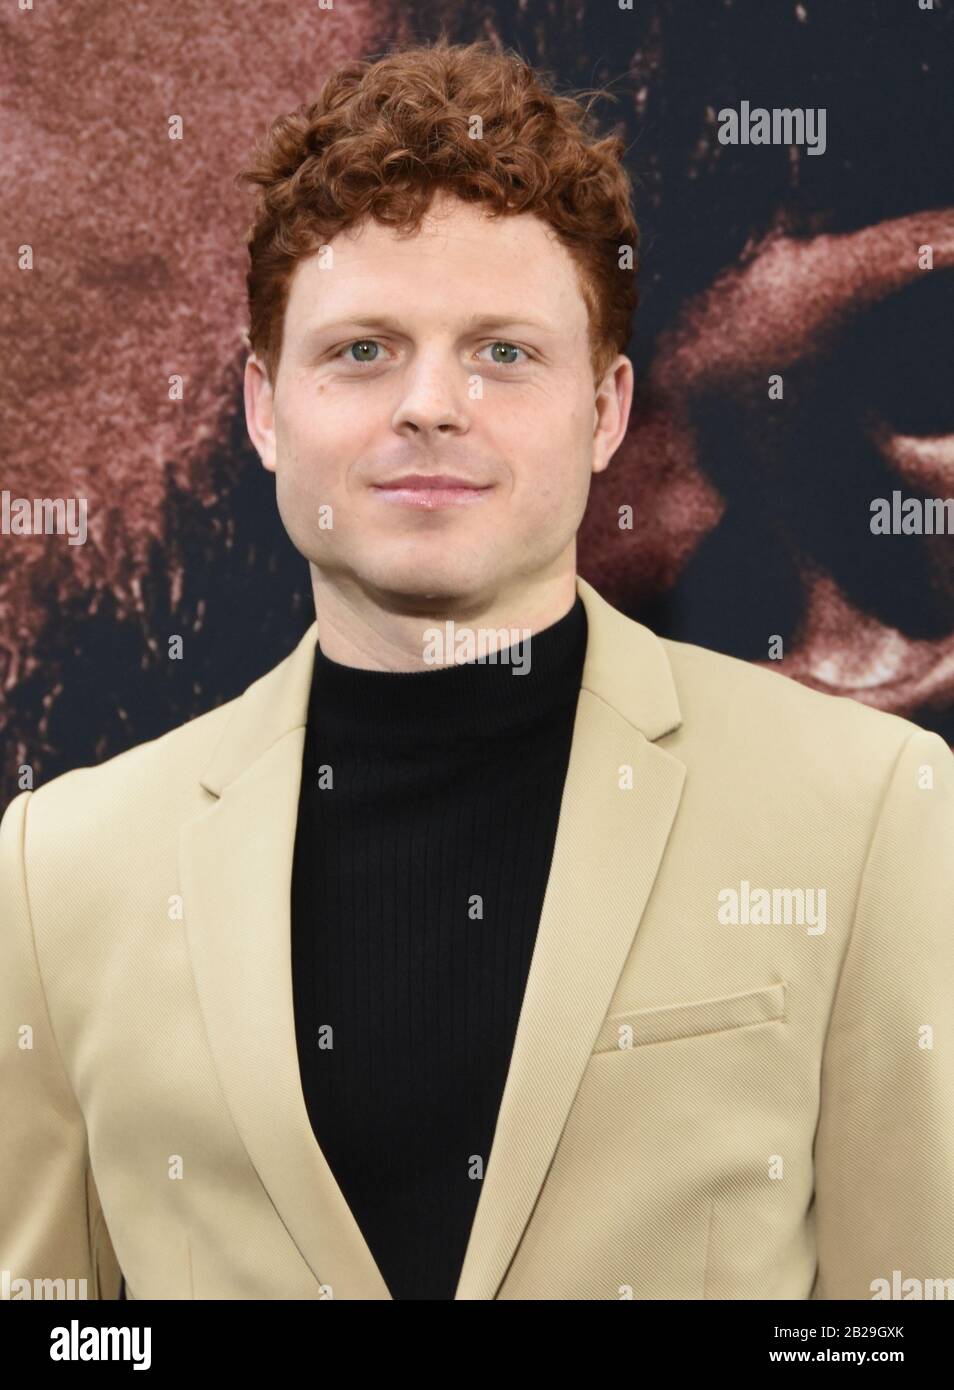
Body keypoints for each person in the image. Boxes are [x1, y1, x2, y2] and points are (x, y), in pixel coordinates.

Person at [1, 37, 952, 1302]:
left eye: (504, 352)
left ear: (608, 408)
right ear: (261, 404)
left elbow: (891, 1328)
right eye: (359, 351)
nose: (430, 407)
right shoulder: (56, 867)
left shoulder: (873, 809)